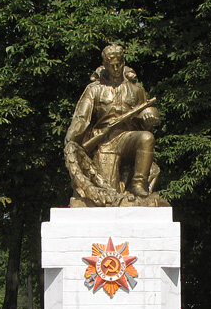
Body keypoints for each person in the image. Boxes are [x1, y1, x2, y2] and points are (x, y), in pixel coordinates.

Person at [65, 44, 162, 205]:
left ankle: (138, 184)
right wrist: (71, 140)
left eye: (119, 64)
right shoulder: (94, 90)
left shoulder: (136, 89)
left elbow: (144, 118)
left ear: (124, 62)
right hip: (105, 142)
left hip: (128, 137)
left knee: (146, 138)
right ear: (105, 65)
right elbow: (81, 119)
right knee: (108, 195)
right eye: (112, 65)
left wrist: (149, 117)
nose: (116, 68)